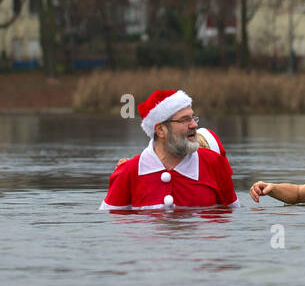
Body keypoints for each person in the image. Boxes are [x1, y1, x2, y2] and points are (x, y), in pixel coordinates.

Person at [100, 88, 237, 211]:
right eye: (185, 120)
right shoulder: (128, 171)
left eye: (193, 118)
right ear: (160, 130)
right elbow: (113, 229)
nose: (194, 125)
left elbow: (230, 221)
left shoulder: (214, 163)